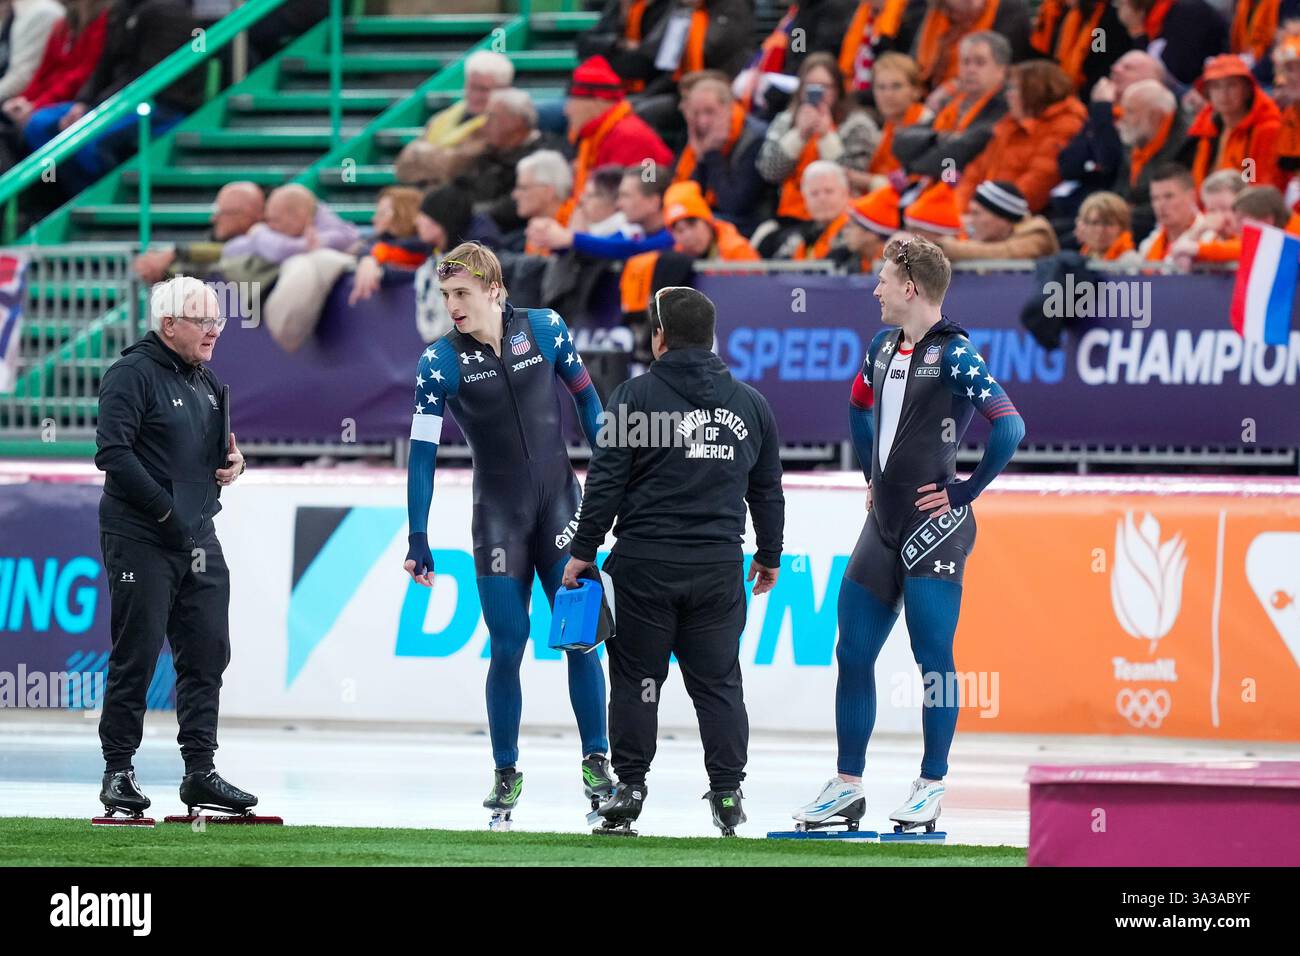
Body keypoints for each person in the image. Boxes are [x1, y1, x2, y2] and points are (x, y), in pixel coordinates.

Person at [792, 236, 1024, 835]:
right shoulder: (880, 346)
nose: (875, 289)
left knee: (934, 664)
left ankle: (930, 785)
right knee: (852, 654)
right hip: (884, 523)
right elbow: (857, 406)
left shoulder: (956, 354)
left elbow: (1010, 425)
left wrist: (963, 493)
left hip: (935, 527)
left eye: (883, 280)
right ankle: (846, 787)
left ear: (911, 287)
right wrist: (873, 473)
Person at [562, 286, 785, 836]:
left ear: (658, 334)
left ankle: (630, 790)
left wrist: (583, 551)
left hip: (643, 565)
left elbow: (606, 482)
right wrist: (770, 554)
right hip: (717, 567)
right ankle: (728, 795)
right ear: (711, 336)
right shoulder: (751, 403)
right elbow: (768, 490)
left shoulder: (633, 398)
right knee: (718, 683)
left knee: (638, 679)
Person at [403, 242, 610, 830]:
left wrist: (614, 486)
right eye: (445, 297)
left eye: (462, 294)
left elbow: (591, 406)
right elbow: (421, 458)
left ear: (495, 290)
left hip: (562, 508)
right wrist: (417, 536)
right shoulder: (438, 363)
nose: (452, 307)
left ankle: (597, 761)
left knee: (578, 638)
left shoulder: (546, 329)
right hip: (497, 514)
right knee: (509, 641)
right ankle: (505, 768)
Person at [94, 276, 258, 822]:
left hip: (197, 537)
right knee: (135, 654)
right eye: (203, 322)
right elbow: (113, 454)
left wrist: (235, 465)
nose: (215, 331)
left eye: (219, 321)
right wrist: (165, 511)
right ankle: (118, 771)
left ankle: (200, 772)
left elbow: (218, 453)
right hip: (141, 536)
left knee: (208, 651)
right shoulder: (131, 374)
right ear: (169, 326)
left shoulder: (206, 381)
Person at [939, 179, 1058, 260]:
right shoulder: (993, 235)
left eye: (976, 213)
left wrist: (947, 248)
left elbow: (1004, 253)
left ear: (1003, 219)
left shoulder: (1038, 234)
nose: (970, 221)